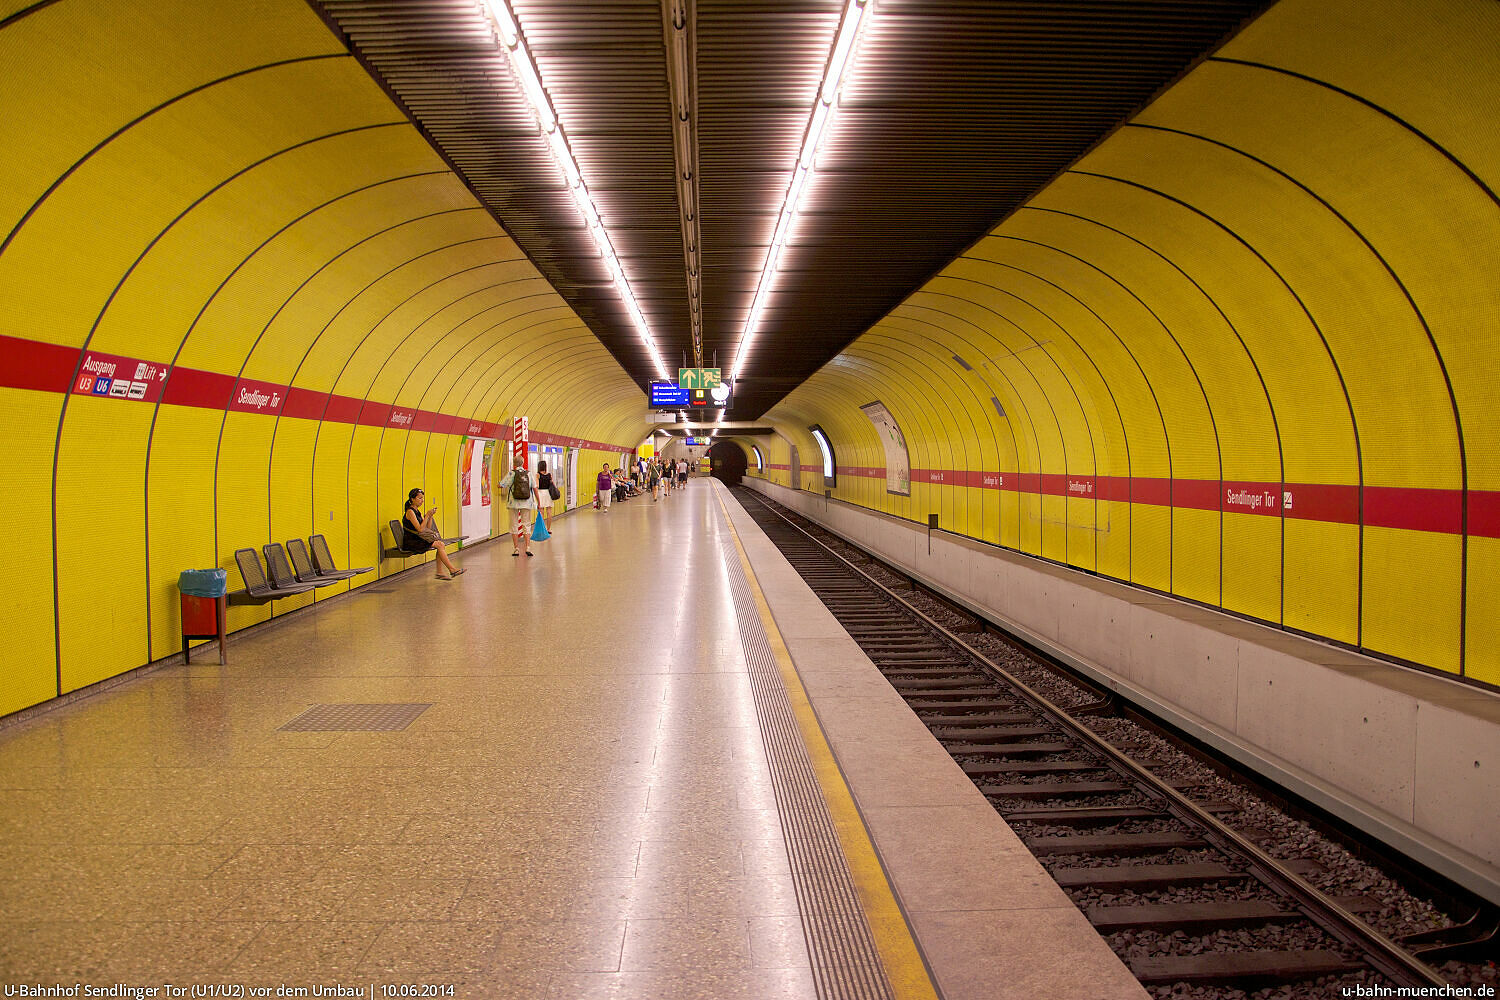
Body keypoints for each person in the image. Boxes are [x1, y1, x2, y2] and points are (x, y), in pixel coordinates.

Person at [403, 488, 464, 579]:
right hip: (412, 541)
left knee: (440, 544)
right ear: (412, 499)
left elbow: (427, 528)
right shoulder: (410, 512)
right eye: (419, 498)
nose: (422, 501)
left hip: (418, 539)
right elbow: (420, 529)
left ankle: (441, 572)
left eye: (422, 498)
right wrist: (427, 515)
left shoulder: (417, 511)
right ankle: (451, 569)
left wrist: (430, 517)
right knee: (440, 544)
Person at [497, 460, 536, 557]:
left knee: (514, 525)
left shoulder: (511, 473)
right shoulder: (529, 473)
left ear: (514, 464)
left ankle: (516, 549)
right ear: (523, 463)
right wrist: (538, 502)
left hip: (513, 503)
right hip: (527, 502)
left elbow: (501, 485)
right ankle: (528, 547)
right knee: (526, 525)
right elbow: (534, 487)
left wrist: (500, 484)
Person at [535, 459, 557, 531]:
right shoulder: (549, 474)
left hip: (541, 493)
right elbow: (552, 483)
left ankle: (542, 529)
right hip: (548, 493)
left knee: (541, 511)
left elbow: (537, 486)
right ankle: (548, 529)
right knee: (549, 511)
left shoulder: (538, 475)